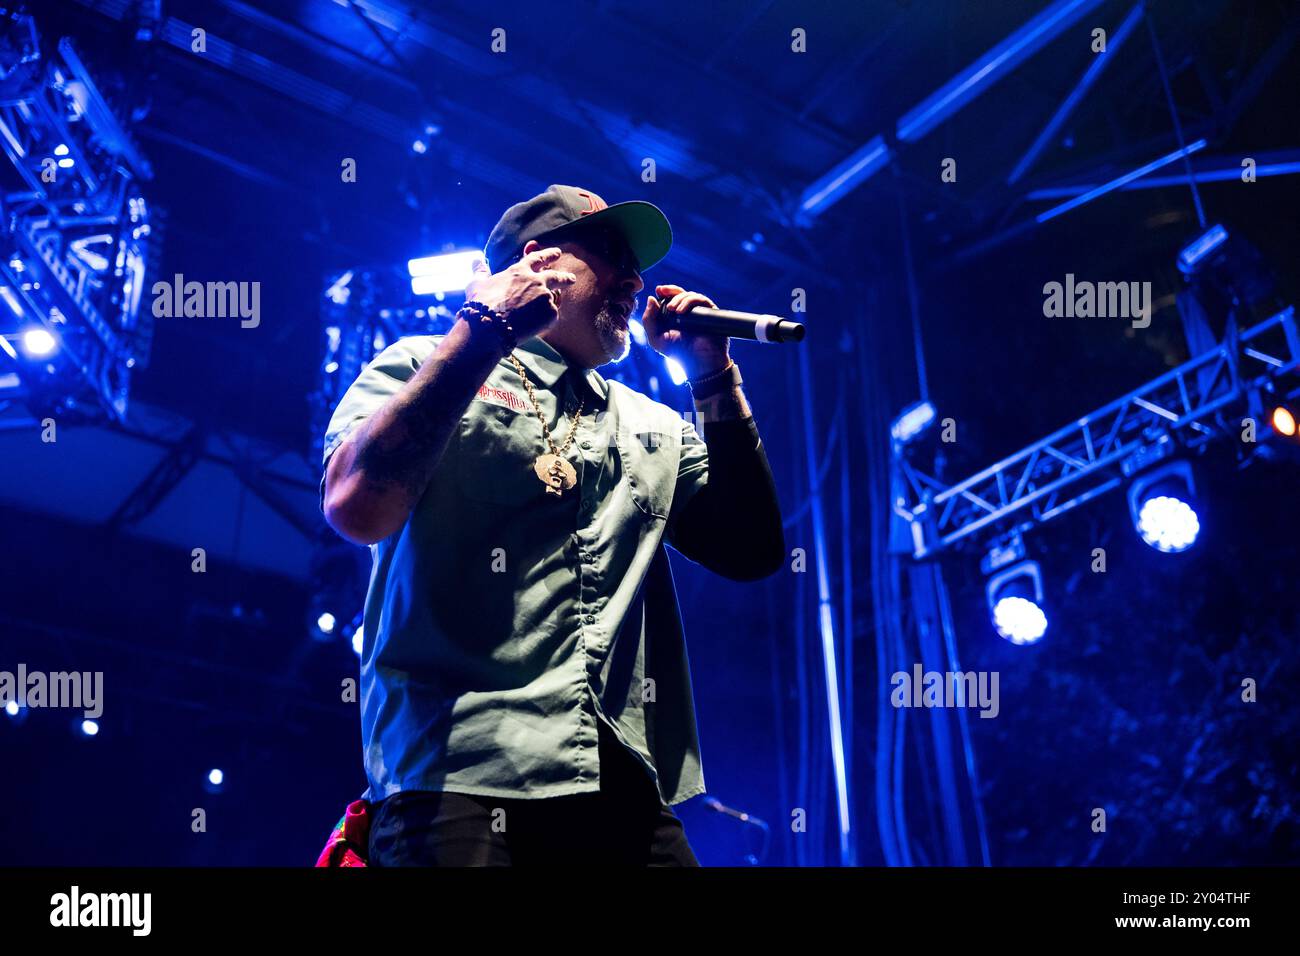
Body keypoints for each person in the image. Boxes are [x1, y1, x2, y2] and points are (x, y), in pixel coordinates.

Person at [320, 184, 784, 865]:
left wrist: (715, 380)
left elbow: (751, 550)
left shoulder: (653, 425)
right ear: (536, 261)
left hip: (623, 786)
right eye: (610, 257)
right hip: (461, 778)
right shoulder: (424, 363)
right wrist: (483, 331)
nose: (635, 281)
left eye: (637, 266)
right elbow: (357, 506)